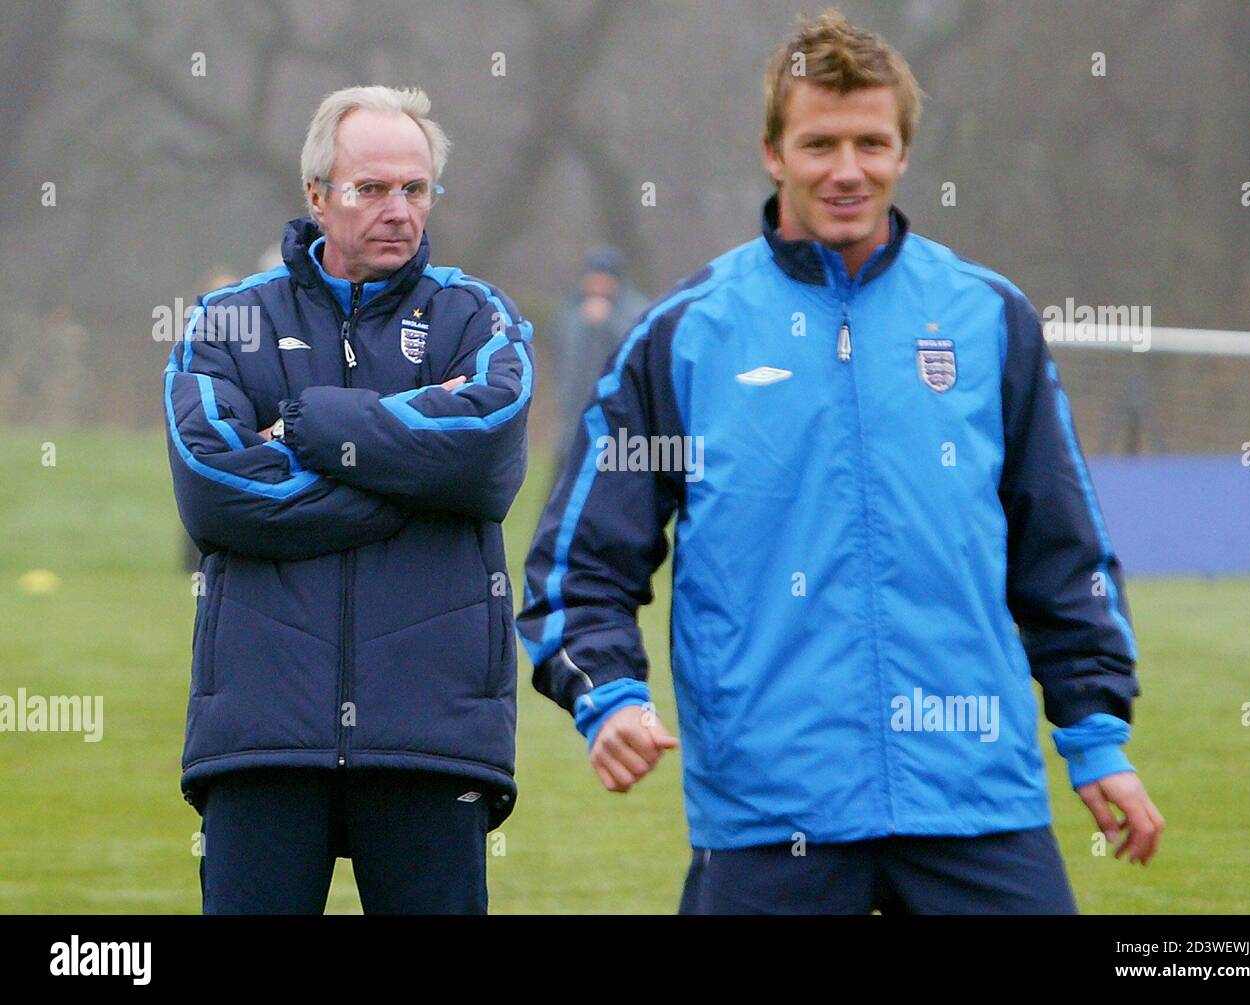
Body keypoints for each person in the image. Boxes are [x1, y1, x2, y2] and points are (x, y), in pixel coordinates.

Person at [516, 11, 1164, 914]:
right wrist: (610, 696)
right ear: (773, 151)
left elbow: (1062, 549)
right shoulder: (685, 334)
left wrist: (1097, 737)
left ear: (903, 153)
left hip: (975, 800)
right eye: (820, 142)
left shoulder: (988, 318)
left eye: (872, 141)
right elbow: (577, 562)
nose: (847, 169)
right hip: (771, 811)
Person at [163, 85, 534, 914]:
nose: (397, 209)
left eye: (415, 188)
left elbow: (484, 456)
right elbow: (217, 492)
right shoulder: (229, 322)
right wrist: (409, 485)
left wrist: (300, 423)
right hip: (262, 737)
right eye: (371, 189)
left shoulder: (476, 317)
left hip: (432, 739)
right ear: (317, 195)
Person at [548, 247, 647, 481]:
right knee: (560, 487)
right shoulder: (571, 308)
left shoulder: (635, 310)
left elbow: (638, 351)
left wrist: (607, 322)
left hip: (616, 417)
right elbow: (561, 351)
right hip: (572, 414)